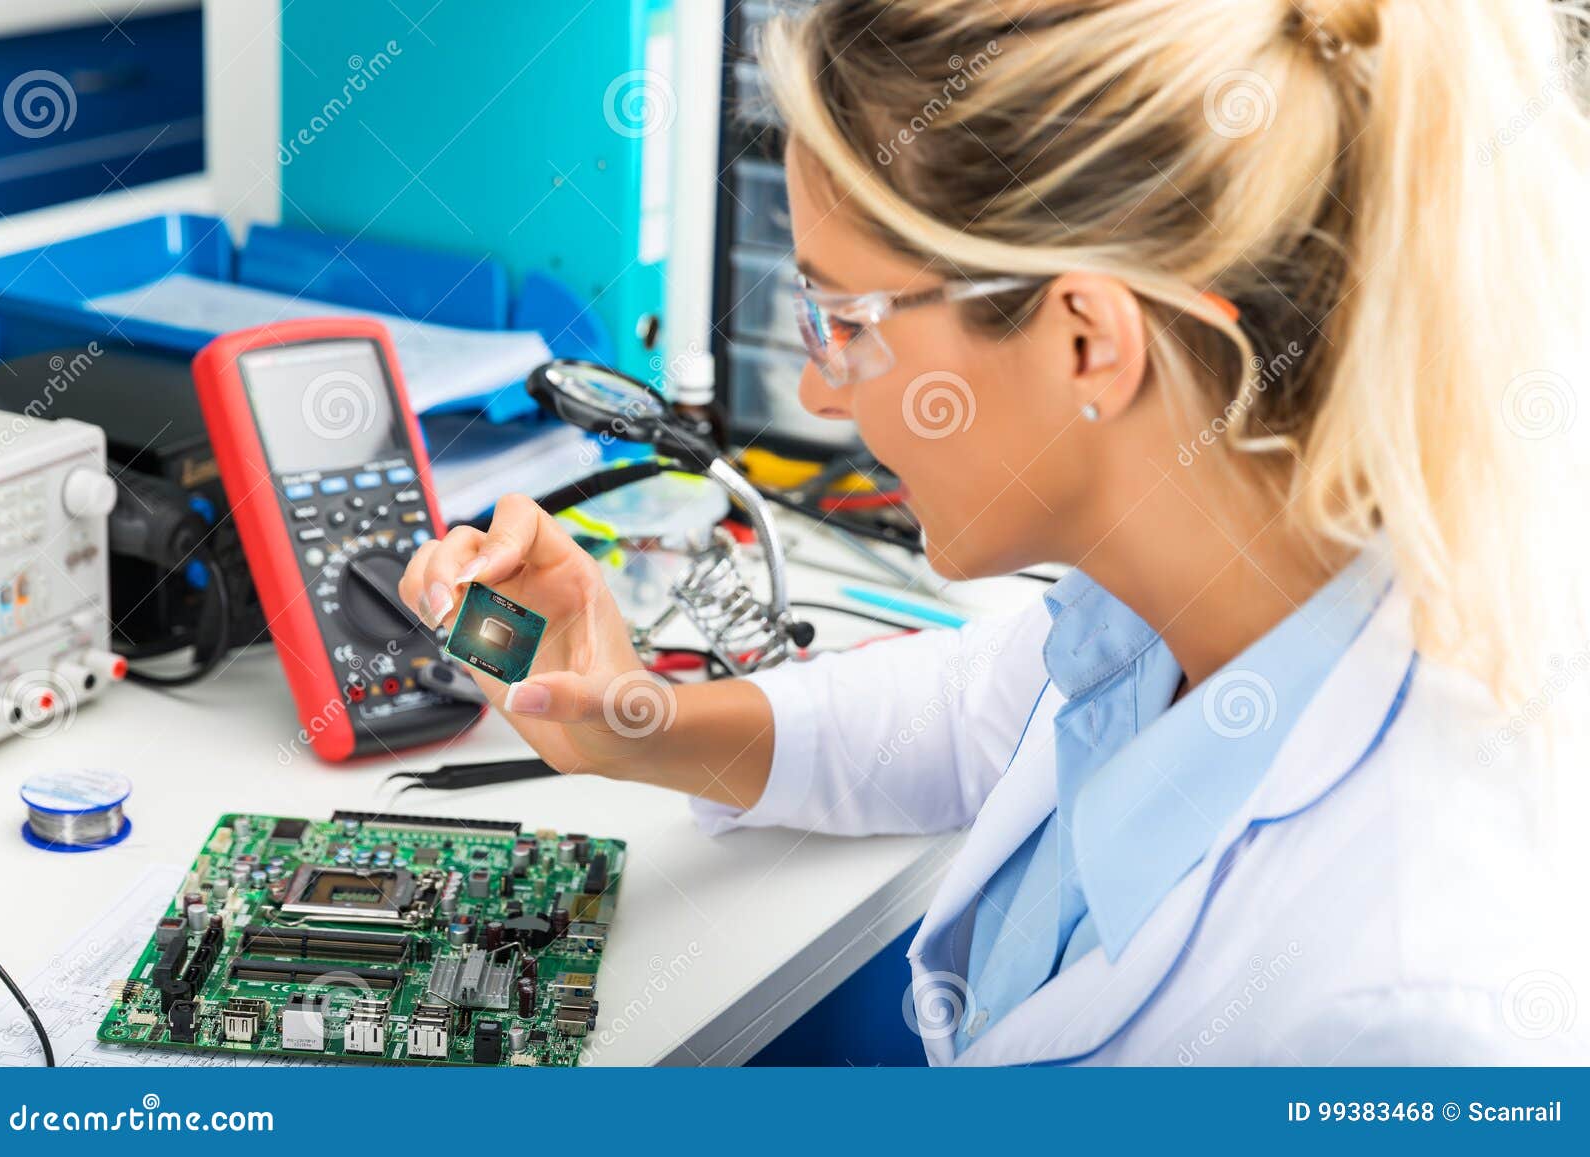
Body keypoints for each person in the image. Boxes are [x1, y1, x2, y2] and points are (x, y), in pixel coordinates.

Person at [401, 0, 1590, 1064]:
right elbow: (975, 710)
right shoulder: (1233, 578)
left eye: (842, 315)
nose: (818, 390)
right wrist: (634, 719)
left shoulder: (1412, 1011)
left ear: (1087, 340)